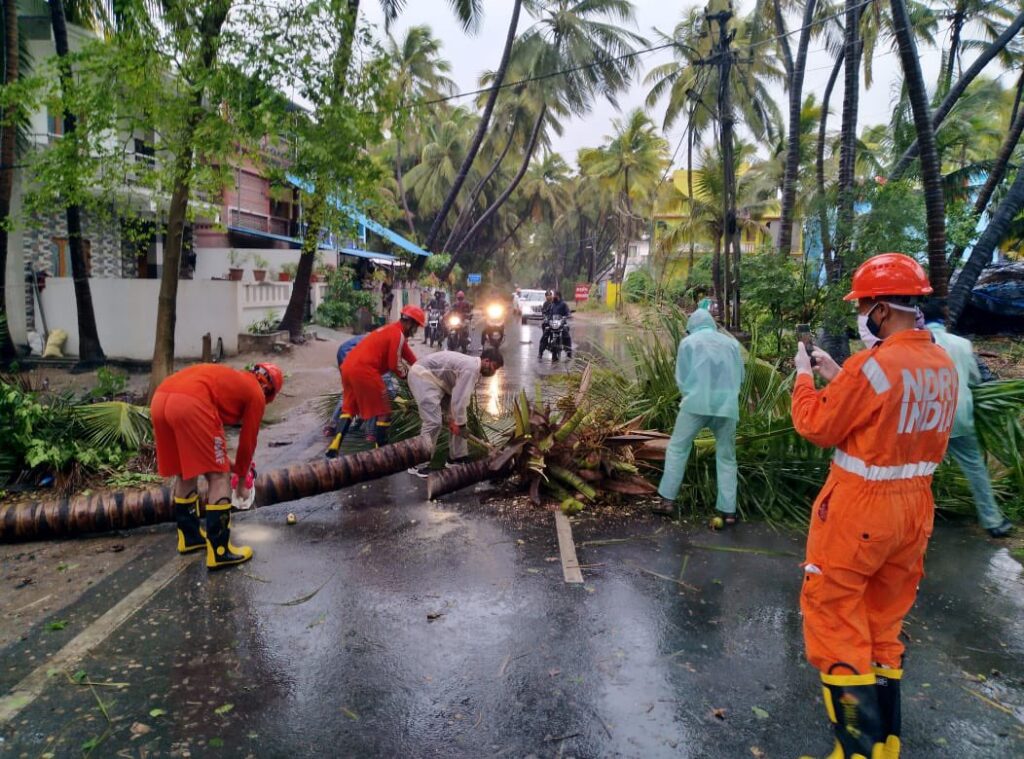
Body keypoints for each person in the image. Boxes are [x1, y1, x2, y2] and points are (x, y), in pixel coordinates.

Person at [791, 253, 957, 758]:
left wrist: (804, 377)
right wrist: (839, 372)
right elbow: (888, 410)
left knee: (837, 619)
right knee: (884, 625)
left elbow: (817, 427)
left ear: (881, 310)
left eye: (863, 305)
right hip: (913, 513)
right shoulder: (941, 365)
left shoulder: (875, 364)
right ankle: (885, 747)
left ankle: (854, 753)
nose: (861, 314)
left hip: (861, 512)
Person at [151, 362, 283, 569]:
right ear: (268, 390)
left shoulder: (234, 379)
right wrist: (241, 481)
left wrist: (232, 466)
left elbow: (211, 452)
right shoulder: (256, 394)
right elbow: (248, 443)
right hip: (190, 402)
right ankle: (220, 550)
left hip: (161, 398)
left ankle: (190, 537)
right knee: (218, 477)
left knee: (185, 472)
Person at [921, 300, 1013, 538]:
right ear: (945, 319)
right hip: (961, 415)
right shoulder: (962, 344)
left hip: (930, 419)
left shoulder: (919, 344)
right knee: (975, 468)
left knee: (920, 471)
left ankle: (917, 522)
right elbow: (974, 378)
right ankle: (993, 521)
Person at [655, 308, 743, 525]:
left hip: (695, 403)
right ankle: (728, 511)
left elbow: (682, 378)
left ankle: (667, 500)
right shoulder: (732, 344)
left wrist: (691, 395)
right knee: (727, 457)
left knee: (677, 448)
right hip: (727, 406)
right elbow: (740, 376)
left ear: (691, 326)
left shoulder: (689, 343)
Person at [326, 305, 424, 457]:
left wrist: (423, 371)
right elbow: (394, 365)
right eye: (416, 327)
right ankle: (381, 451)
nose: (415, 331)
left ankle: (335, 444)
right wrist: (408, 377)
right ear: (409, 323)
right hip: (366, 371)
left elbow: (412, 359)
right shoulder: (397, 334)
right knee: (384, 411)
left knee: (349, 408)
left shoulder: (390, 330)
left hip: (348, 367)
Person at [406, 348, 504, 477]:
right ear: (486, 360)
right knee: (433, 422)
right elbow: (460, 399)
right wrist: (460, 424)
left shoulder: (472, 367)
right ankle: (418, 463)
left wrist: (458, 422)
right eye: (494, 367)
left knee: (458, 420)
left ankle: (456, 459)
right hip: (422, 377)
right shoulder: (471, 369)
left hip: (439, 382)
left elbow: (457, 399)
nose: (493, 372)